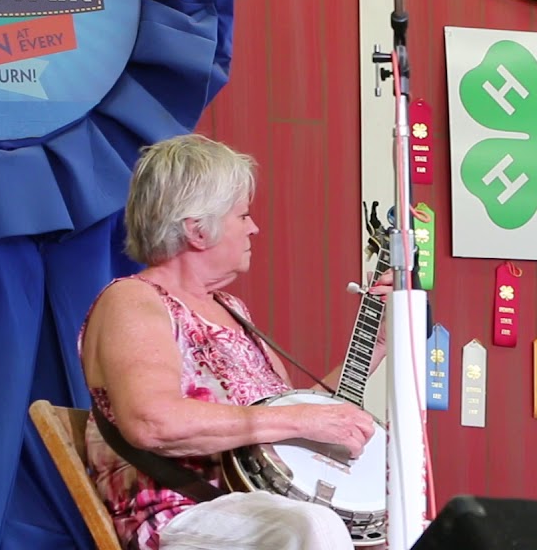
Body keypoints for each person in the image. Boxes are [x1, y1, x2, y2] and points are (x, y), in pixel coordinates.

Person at [78, 133, 389, 550]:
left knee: (407, 524)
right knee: (315, 527)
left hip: (261, 507)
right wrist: (301, 419)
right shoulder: (133, 301)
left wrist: (377, 347)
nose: (254, 227)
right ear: (197, 231)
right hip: (180, 514)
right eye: (243, 216)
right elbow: (152, 422)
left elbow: (282, 420)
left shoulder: (232, 309)